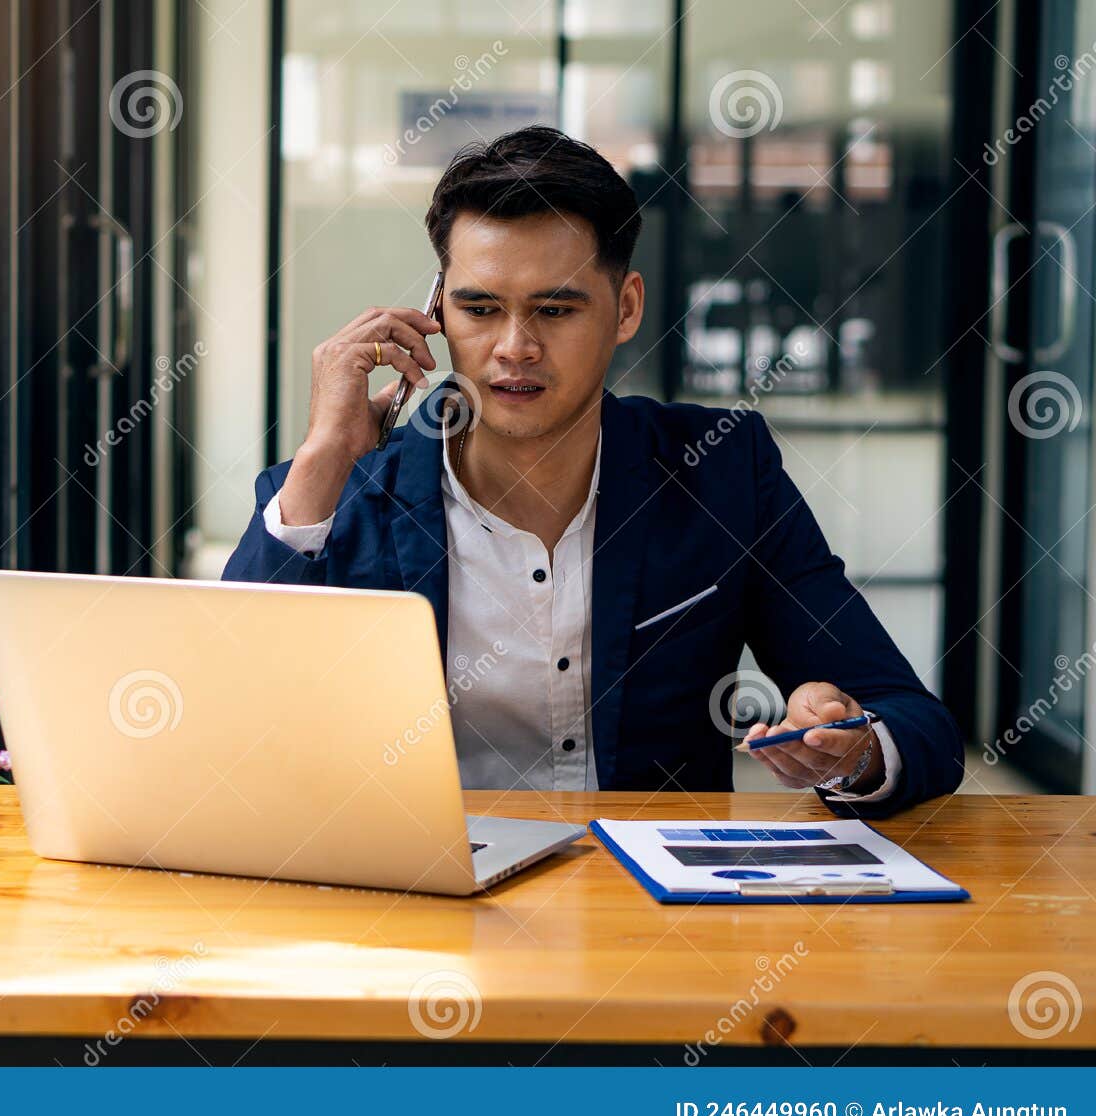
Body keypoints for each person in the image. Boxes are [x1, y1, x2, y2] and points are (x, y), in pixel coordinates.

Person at [222, 126, 962, 818]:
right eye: (480, 308)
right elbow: (227, 728)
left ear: (626, 307)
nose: (514, 347)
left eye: (554, 309)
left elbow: (913, 719)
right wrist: (322, 457)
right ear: (437, 311)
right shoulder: (343, 485)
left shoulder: (723, 471)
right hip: (425, 907)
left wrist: (850, 749)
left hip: (651, 915)